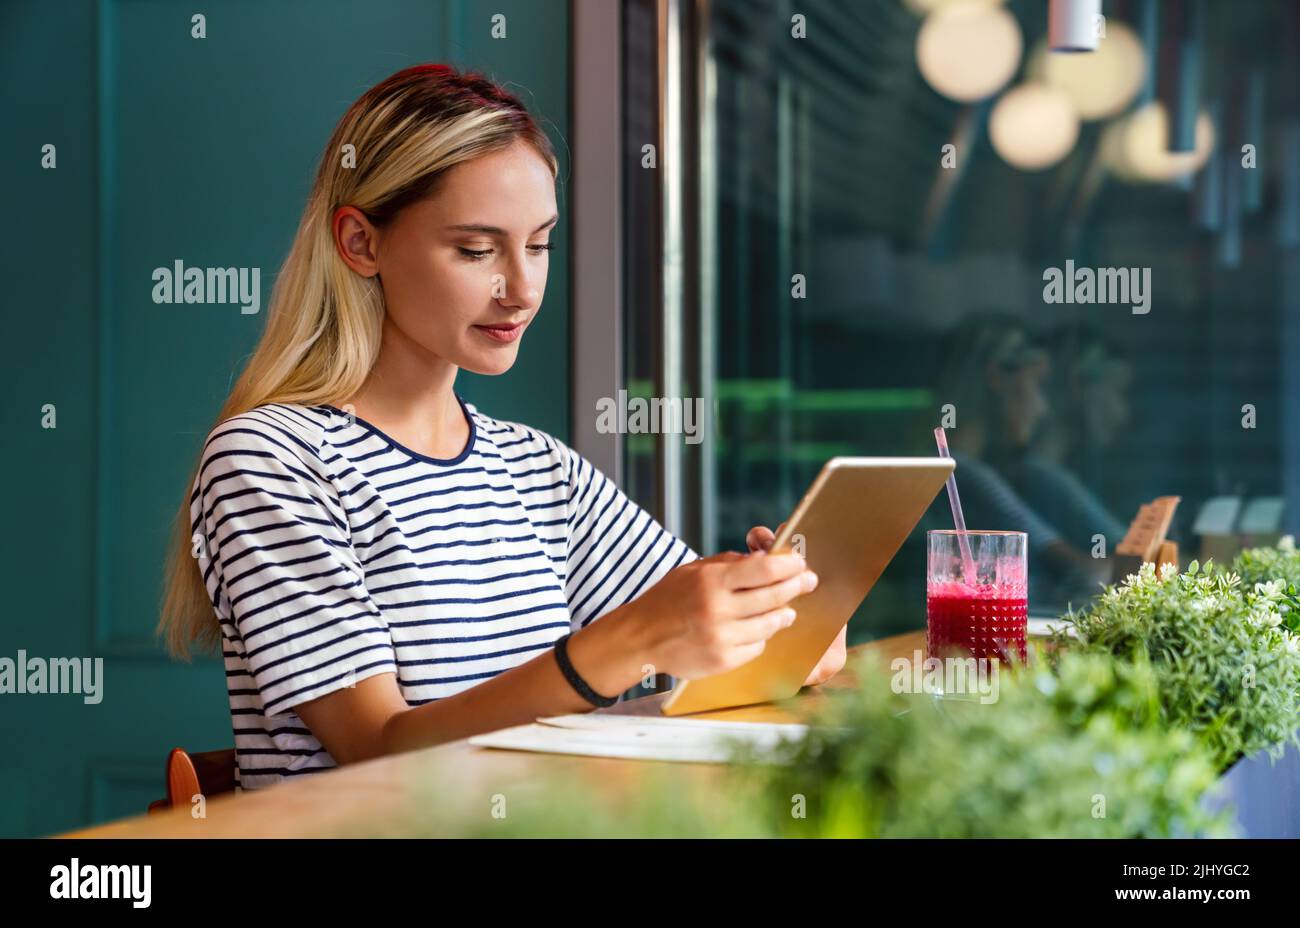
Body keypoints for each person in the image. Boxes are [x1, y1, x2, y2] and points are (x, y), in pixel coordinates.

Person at [158, 64, 841, 790]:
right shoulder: (270, 461)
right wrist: (633, 640)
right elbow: (382, 751)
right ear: (360, 244)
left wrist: (768, 618)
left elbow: (707, 639)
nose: (521, 288)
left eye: (539, 244)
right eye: (477, 251)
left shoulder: (534, 467)